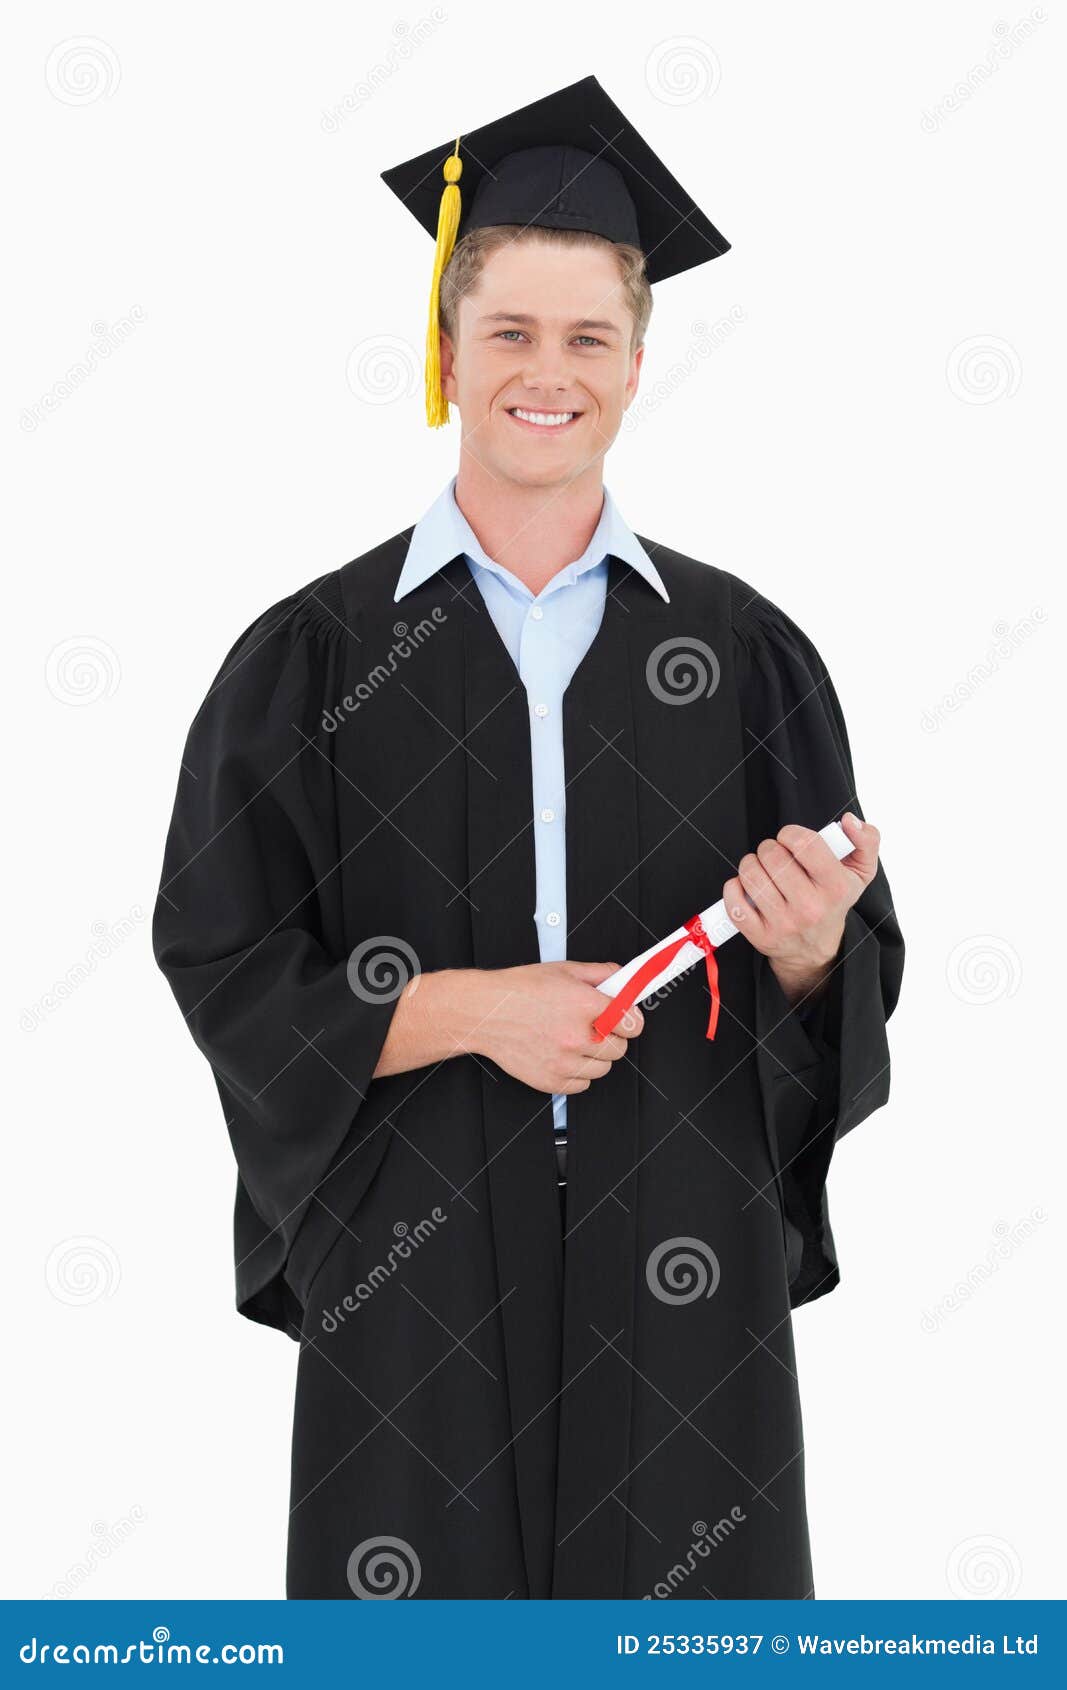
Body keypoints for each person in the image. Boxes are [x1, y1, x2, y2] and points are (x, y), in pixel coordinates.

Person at [153, 74, 904, 1600]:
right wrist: (476, 1011)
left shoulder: (749, 651)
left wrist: (817, 947)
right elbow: (226, 958)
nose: (544, 372)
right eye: (507, 331)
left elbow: (844, 986)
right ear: (445, 349)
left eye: (585, 339)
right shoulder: (312, 654)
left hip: (682, 1247)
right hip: (415, 1258)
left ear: (636, 367)